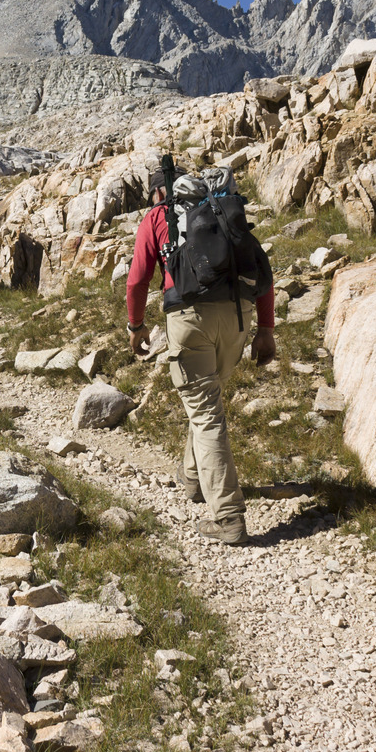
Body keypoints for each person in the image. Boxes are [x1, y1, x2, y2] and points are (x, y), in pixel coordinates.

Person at [126, 168, 276, 545]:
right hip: (238, 318)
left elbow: (137, 279)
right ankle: (194, 480)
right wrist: (266, 330)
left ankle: (228, 517)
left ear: (158, 193)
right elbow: (261, 272)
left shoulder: (158, 218)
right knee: (206, 403)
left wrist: (136, 326)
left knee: (206, 414)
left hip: (189, 319)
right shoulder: (223, 212)